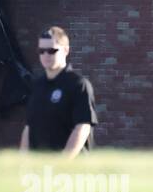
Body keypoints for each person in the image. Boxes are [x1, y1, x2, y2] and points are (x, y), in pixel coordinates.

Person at [19, 26, 97, 158]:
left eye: (51, 50)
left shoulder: (78, 85)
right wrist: (23, 163)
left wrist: (62, 163)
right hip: (39, 170)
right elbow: (28, 127)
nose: (46, 55)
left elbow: (83, 127)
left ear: (66, 50)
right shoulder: (37, 86)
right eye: (41, 51)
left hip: (71, 171)